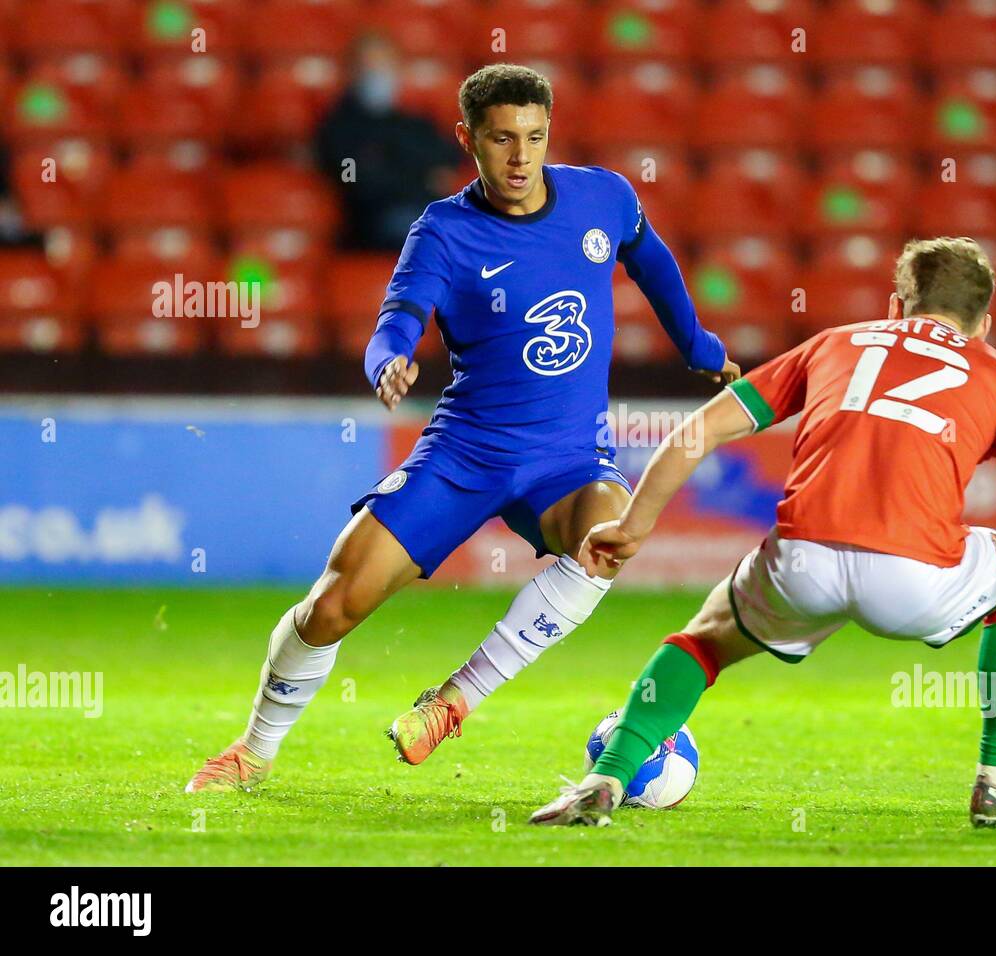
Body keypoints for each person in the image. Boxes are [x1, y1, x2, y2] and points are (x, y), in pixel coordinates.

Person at [186, 63, 739, 793]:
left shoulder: (604, 197)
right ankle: (252, 753)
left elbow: (652, 257)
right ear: (467, 138)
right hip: (464, 453)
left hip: (566, 459)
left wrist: (695, 341)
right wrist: (387, 362)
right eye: (502, 139)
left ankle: (455, 701)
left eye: (535, 138)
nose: (520, 157)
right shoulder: (443, 231)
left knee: (610, 538)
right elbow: (396, 323)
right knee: (333, 604)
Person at [530, 238, 996, 828]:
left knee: (705, 639)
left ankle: (603, 779)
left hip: (802, 562)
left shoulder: (835, 344)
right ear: (984, 325)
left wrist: (633, 526)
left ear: (896, 306)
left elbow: (699, 430)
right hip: (914, 578)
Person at [314, 33, 463, 251]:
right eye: (369, 67)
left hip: (421, 211)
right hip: (372, 224)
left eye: (384, 66)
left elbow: (447, 155)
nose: (377, 74)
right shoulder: (339, 127)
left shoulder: (411, 122)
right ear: (352, 72)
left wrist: (392, 167)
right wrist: (421, 178)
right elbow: (357, 183)